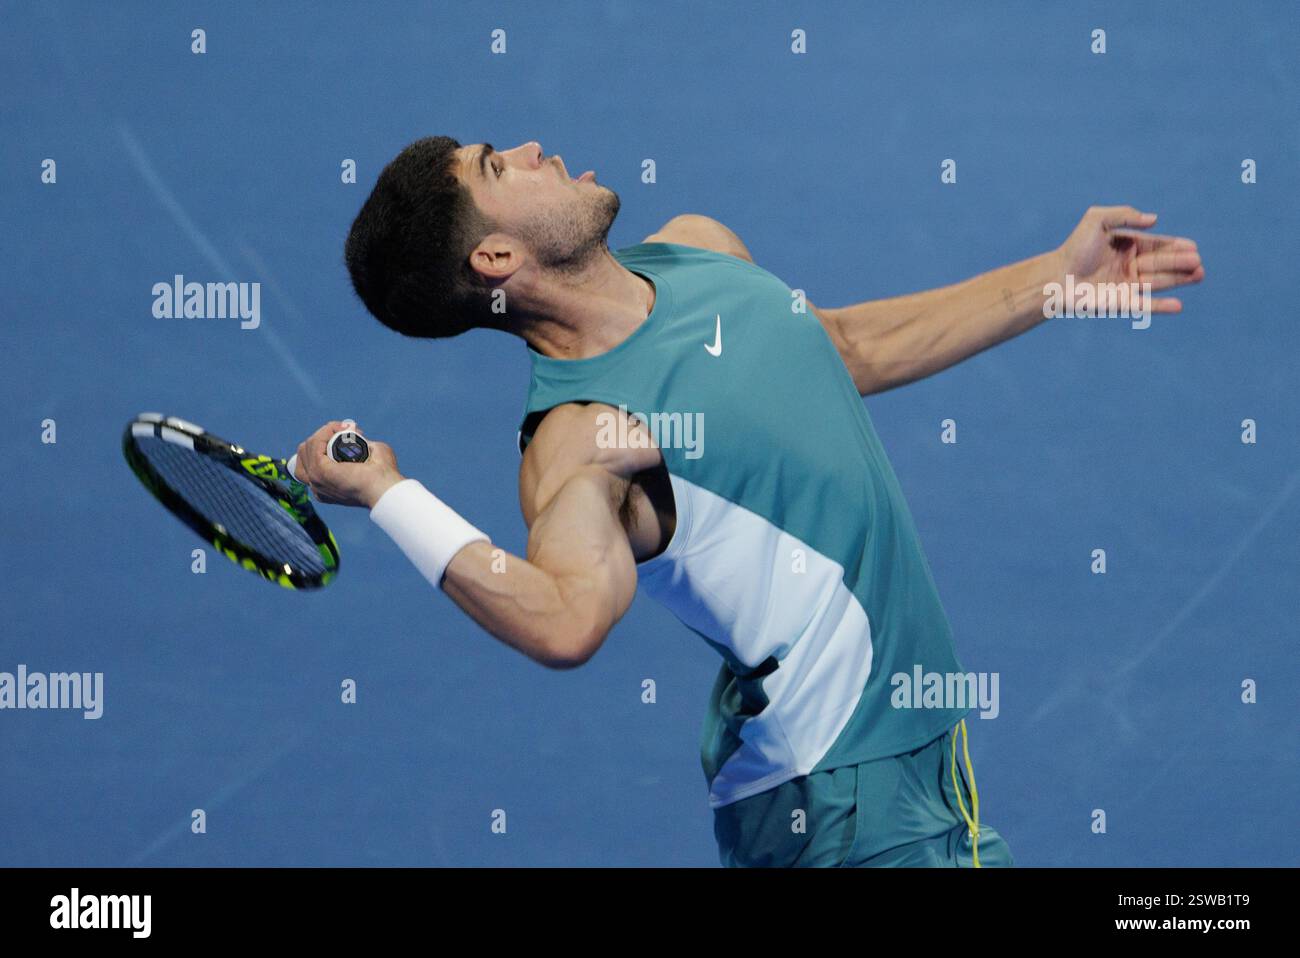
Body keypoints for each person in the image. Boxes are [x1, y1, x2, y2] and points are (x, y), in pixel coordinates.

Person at [293, 136, 1204, 866]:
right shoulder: (584, 437)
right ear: (496, 256)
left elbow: (837, 351)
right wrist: (390, 492)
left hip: (897, 770)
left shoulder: (699, 252)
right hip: (843, 801)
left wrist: (1056, 280)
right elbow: (565, 619)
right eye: (499, 166)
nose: (533, 148)